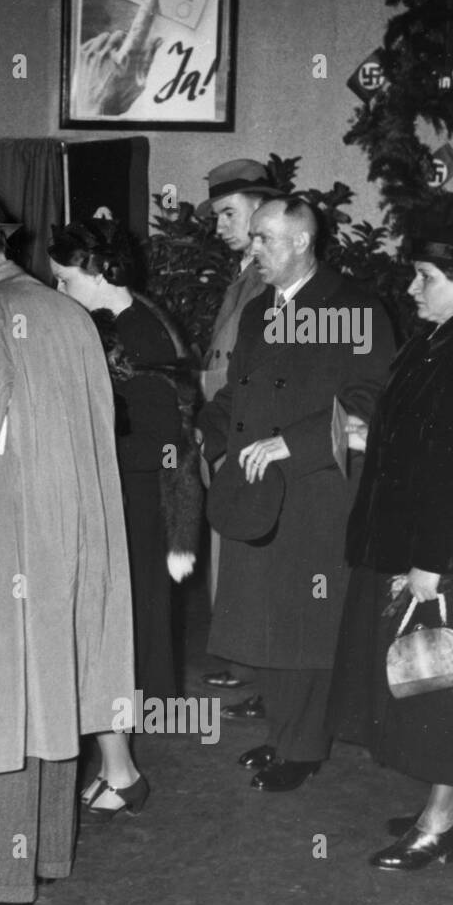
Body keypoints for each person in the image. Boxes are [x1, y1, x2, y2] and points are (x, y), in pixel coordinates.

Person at [0, 185, 134, 905]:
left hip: (5, 531)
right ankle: (43, 853)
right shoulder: (68, 310)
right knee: (53, 683)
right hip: (73, 529)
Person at [329, 216, 453, 869]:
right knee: (440, 679)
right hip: (431, 542)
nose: (412, 288)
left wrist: (433, 564)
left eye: (427, 277)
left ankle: (440, 822)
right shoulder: (440, 337)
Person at [197, 197, 396, 791]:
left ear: (303, 242)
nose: (252, 250)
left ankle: (303, 749)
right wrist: (209, 438)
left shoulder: (354, 308)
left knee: (307, 624)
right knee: (269, 623)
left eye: (265, 239)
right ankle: (284, 734)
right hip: (258, 489)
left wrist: (293, 444)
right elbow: (236, 393)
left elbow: (368, 398)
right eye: (252, 238)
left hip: (316, 489)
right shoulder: (261, 311)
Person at [48, 220, 185, 735]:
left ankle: (130, 726)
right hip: (116, 487)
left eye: (65, 280)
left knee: (135, 612)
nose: (59, 291)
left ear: (101, 271)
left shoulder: (141, 334)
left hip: (137, 495)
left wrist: (84, 448)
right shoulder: (110, 321)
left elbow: (164, 443)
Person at [196, 159, 284, 696]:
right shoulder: (246, 274)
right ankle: (245, 661)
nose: (219, 226)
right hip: (225, 427)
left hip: (248, 432)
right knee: (231, 552)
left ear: (260, 207)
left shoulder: (275, 275)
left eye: (228, 213)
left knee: (254, 555)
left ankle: (263, 677)